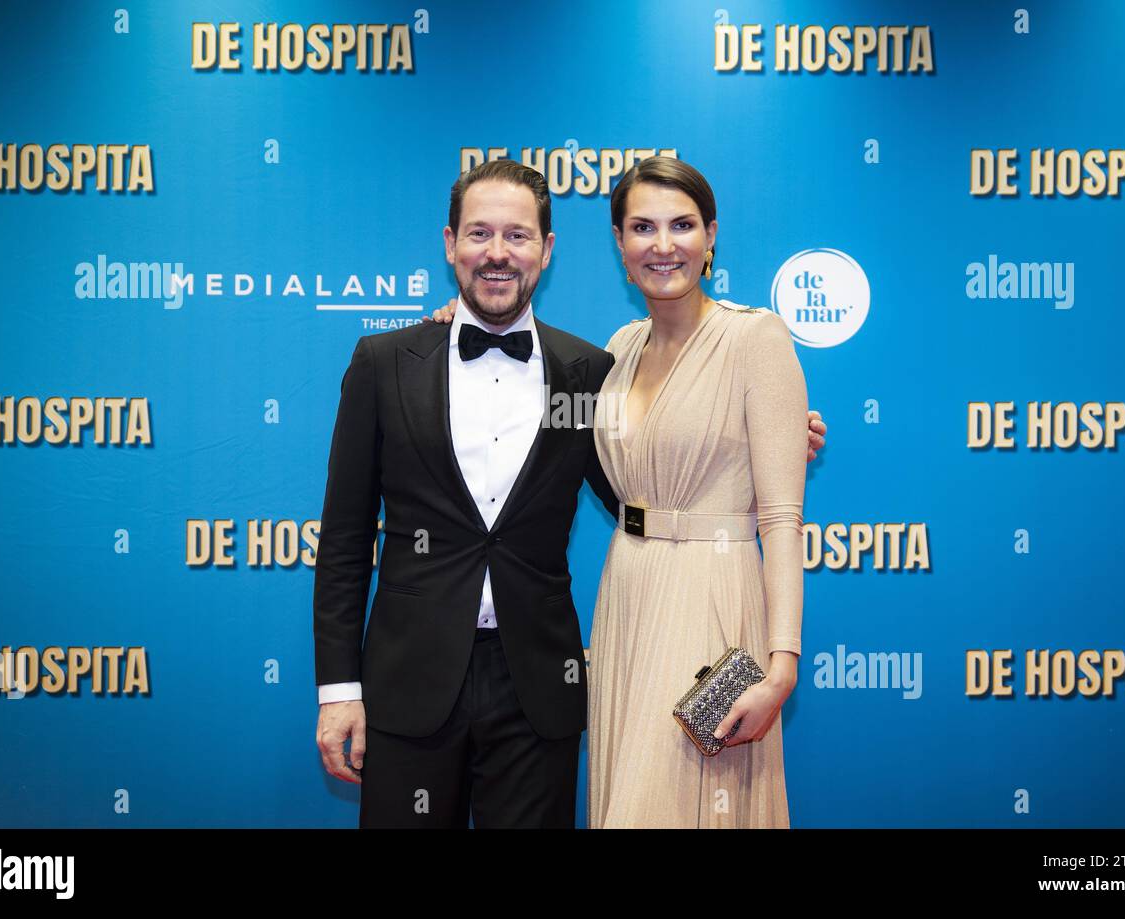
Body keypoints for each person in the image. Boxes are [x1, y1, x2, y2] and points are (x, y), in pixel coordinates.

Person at [316, 159, 824, 828]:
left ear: (547, 250)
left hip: (596, 667)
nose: (497, 253)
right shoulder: (398, 365)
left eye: (518, 236)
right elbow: (347, 540)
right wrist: (338, 692)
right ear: (450, 244)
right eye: (479, 235)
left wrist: (768, 445)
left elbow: (716, 502)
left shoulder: (595, 369)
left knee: (694, 798)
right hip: (443, 674)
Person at [588, 157, 806, 827]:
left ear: (711, 237)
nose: (663, 245)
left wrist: (781, 668)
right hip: (626, 593)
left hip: (712, 596)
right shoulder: (619, 347)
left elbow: (782, 517)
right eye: (642, 227)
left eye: (682, 225)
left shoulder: (755, 336)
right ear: (621, 246)